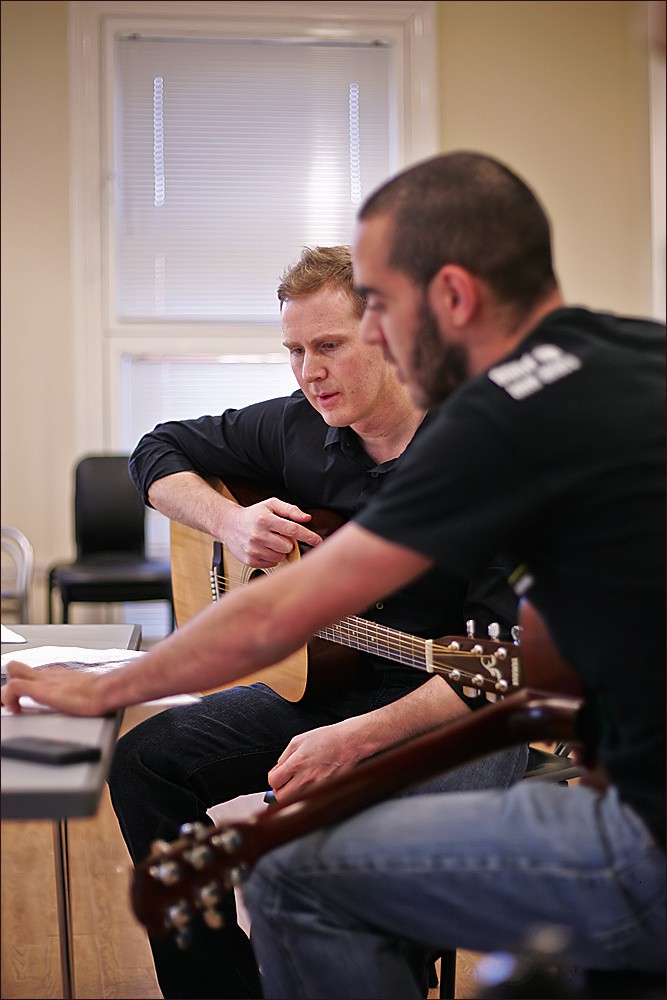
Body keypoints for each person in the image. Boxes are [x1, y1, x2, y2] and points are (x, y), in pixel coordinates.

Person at [3, 154, 664, 997]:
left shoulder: (496, 426)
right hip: (562, 752)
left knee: (296, 879)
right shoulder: (623, 355)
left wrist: (105, 689)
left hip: (617, 820)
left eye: (376, 309)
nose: (365, 342)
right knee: (184, 782)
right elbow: (526, 664)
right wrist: (231, 525)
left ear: (450, 297)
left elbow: (307, 619)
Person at [111, 245, 525, 999]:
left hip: (457, 715)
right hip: (327, 684)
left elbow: (500, 670)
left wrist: (355, 741)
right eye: (295, 351)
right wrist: (231, 524)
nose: (307, 372)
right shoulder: (298, 429)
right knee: (144, 764)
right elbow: (155, 450)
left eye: (328, 346)